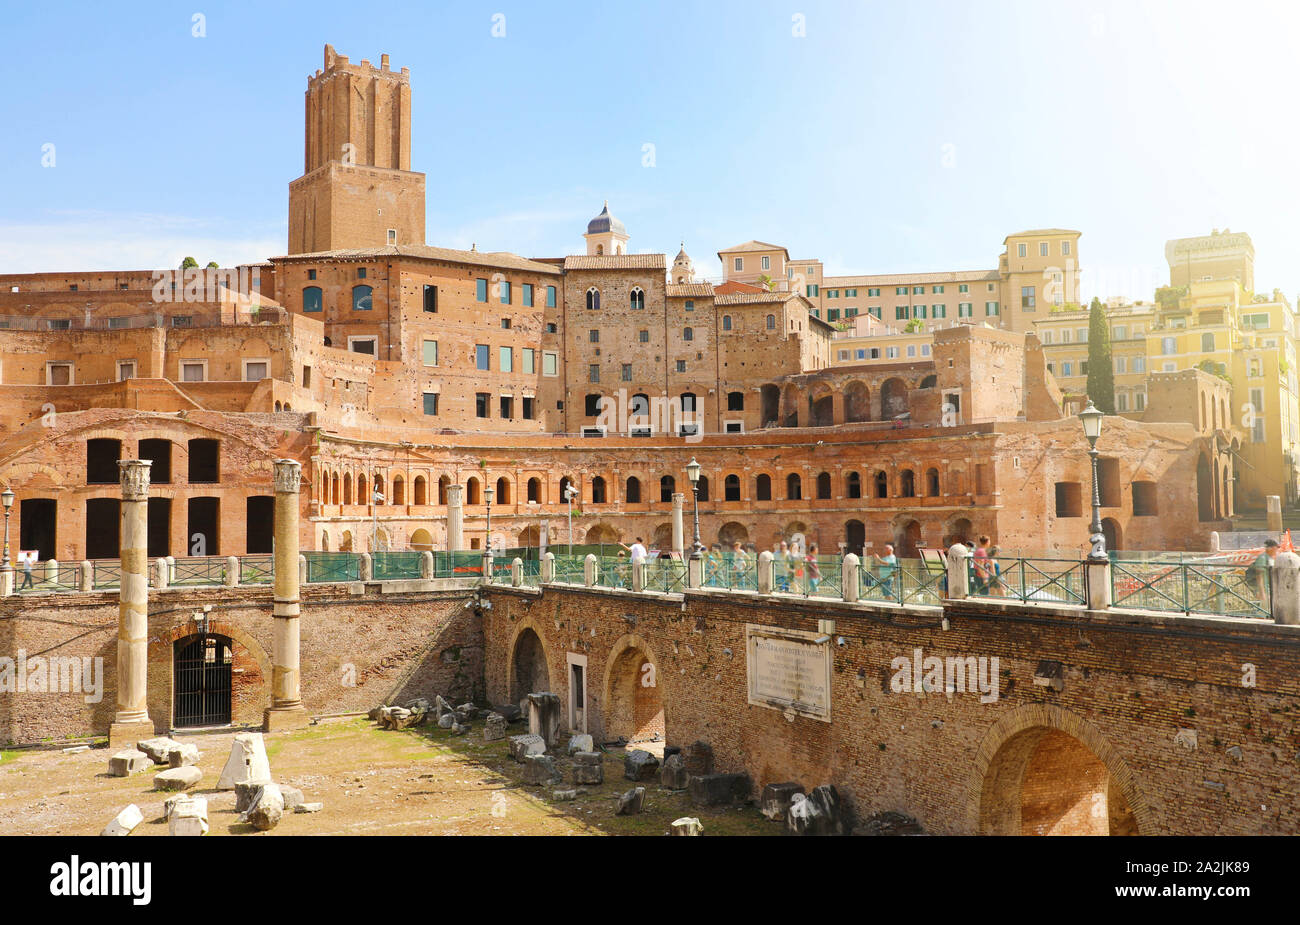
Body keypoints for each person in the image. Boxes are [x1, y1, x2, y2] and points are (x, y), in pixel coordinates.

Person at [1246, 539, 1279, 607]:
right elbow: (1259, 576)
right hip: (1263, 588)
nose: (1277, 550)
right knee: (1265, 607)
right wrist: (1262, 592)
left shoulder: (1271, 558)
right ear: (1270, 548)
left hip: (1269, 587)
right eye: (1276, 547)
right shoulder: (1262, 558)